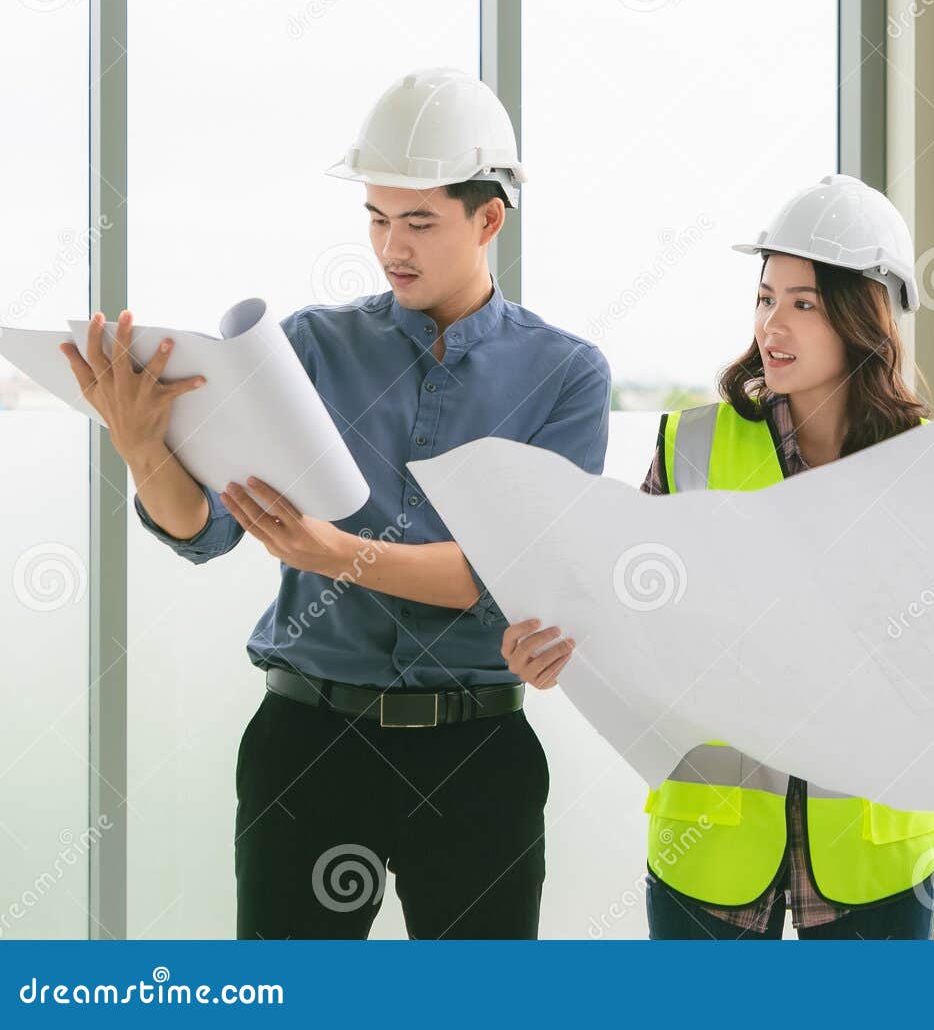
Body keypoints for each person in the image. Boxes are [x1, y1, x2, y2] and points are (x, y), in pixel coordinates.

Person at [62, 67, 611, 939]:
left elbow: (514, 579)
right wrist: (140, 450)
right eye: (378, 218)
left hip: (476, 757)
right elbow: (202, 531)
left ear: (489, 218)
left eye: (420, 222)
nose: (393, 245)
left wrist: (335, 554)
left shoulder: (565, 375)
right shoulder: (309, 349)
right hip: (307, 746)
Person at [502, 174, 934, 939]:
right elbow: (621, 612)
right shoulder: (692, 446)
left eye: (804, 303)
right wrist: (553, 647)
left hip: (875, 856)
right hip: (709, 847)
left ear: (865, 315)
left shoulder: (929, 466)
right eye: (766, 296)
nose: (773, 323)